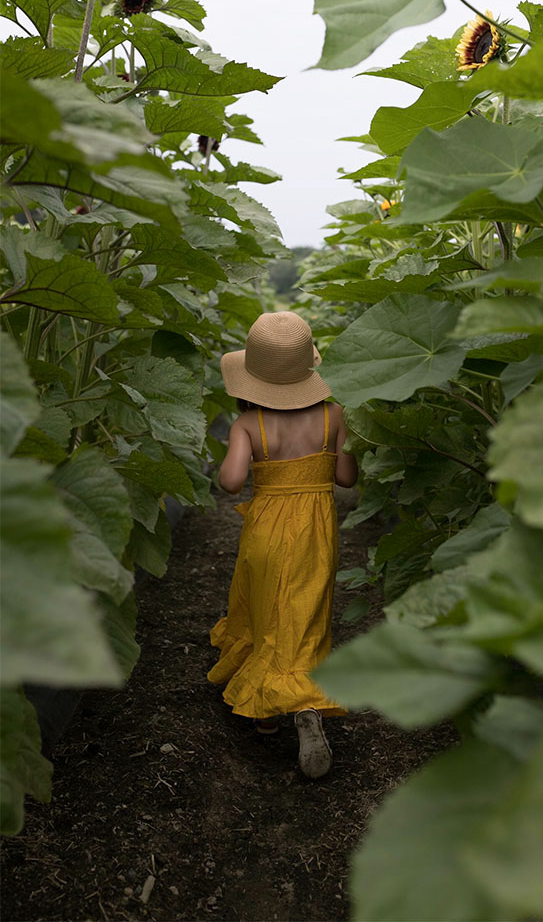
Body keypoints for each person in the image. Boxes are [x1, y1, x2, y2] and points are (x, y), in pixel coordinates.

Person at [208, 311, 358, 779]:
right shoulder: (335, 415)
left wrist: (240, 459)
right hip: (317, 528)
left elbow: (231, 483)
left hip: (266, 529)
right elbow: (348, 479)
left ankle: (268, 713)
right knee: (306, 613)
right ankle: (308, 707)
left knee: (264, 606)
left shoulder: (249, 425)